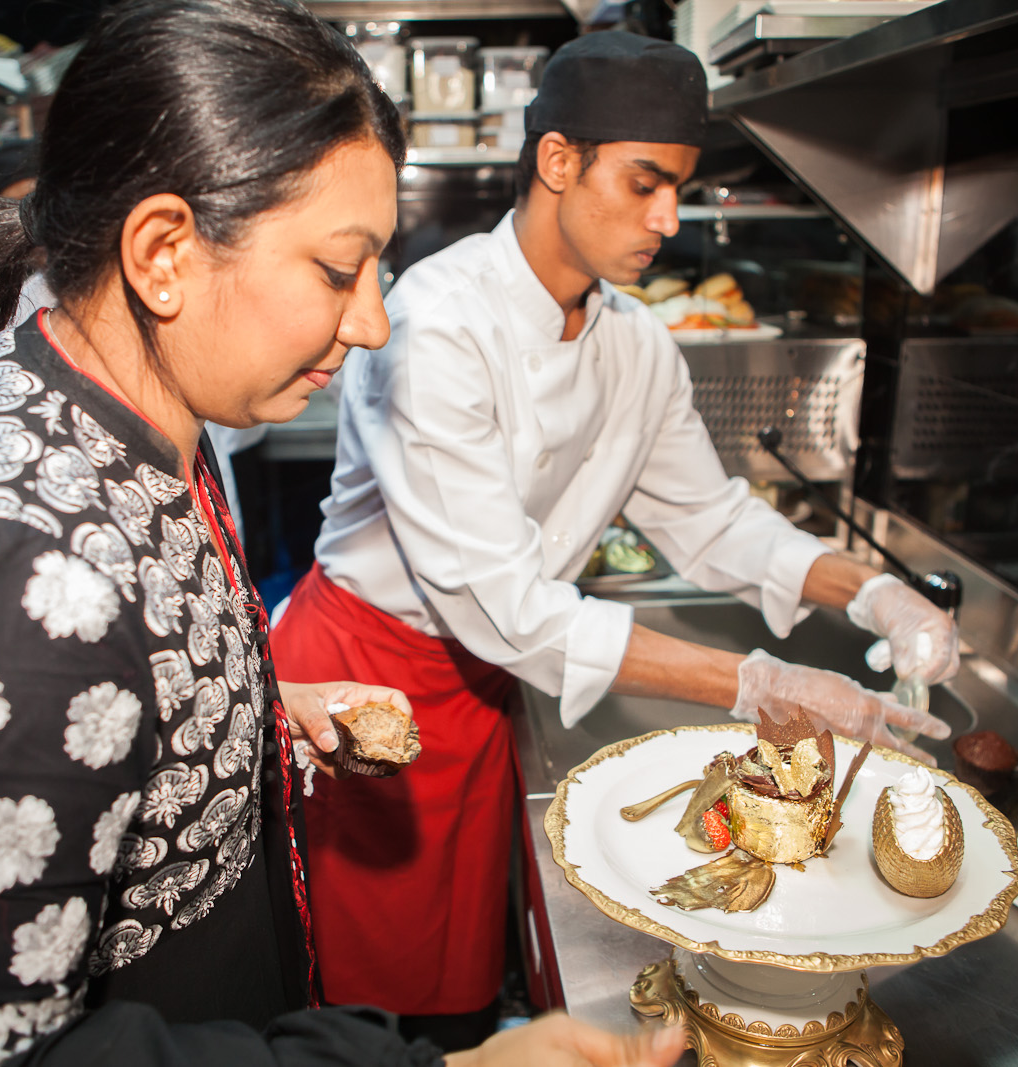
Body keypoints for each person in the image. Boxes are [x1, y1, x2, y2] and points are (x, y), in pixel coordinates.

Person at [0, 7, 682, 1067]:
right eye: (337, 270)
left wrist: (254, 705)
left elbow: (112, 674)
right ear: (163, 252)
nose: (371, 324)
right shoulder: (4, 571)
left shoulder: (139, 400)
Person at [269, 31, 961, 1045]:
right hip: (360, 695)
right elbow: (504, 604)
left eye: (677, 188)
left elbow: (711, 518)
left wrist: (873, 592)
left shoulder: (634, 342)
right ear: (557, 160)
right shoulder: (435, 322)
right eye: (644, 183)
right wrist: (756, 683)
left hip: (481, 693)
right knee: (365, 1018)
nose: (667, 219)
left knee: (463, 996)